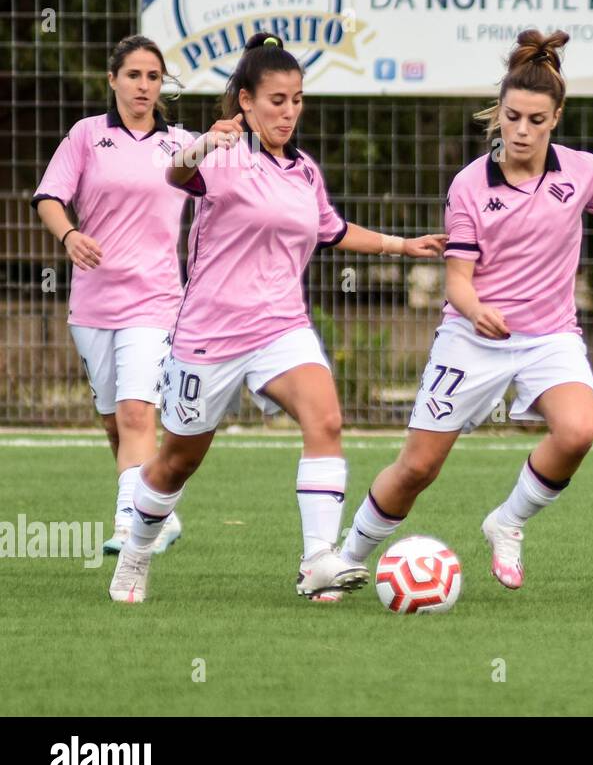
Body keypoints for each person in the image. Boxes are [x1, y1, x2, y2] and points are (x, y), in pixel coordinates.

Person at [108, 32, 445, 604]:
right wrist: (204, 146)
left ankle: (317, 560)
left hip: (280, 328)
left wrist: (401, 246)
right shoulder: (222, 158)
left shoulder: (303, 170)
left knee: (327, 420)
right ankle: (137, 551)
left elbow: (331, 230)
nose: (289, 112)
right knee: (176, 462)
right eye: (276, 100)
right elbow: (174, 175)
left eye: (296, 99)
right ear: (245, 101)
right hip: (209, 338)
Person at [338, 29, 593, 590]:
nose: (521, 130)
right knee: (418, 468)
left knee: (578, 432)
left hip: (550, 337)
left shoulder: (582, 171)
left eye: (534, 119)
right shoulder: (469, 186)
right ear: (498, 115)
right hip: (472, 338)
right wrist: (477, 308)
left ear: (556, 118)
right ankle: (347, 554)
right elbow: (456, 280)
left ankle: (507, 523)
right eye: (511, 117)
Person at [33, 35, 189, 555]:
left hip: (156, 299)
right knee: (113, 420)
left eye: (152, 77)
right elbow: (50, 197)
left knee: (137, 413)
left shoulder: (182, 146)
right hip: (94, 303)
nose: (144, 86)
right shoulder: (86, 135)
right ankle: (158, 510)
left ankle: (130, 525)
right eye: (134, 75)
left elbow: (236, 186)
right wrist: (70, 235)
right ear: (113, 80)